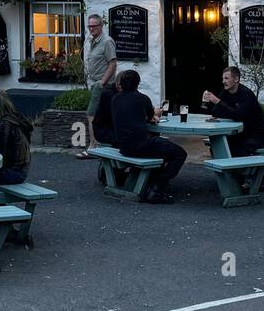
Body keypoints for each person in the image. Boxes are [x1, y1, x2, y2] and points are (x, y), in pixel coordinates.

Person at [110, 69, 186, 204]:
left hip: (123, 146)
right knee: (179, 154)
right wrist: (155, 113)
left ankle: (153, 180)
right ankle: (157, 189)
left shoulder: (115, 99)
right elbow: (152, 117)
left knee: (162, 149)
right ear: (138, 84)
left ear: (121, 83)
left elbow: (130, 117)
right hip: (141, 145)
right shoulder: (142, 98)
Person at [202, 66, 264, 156]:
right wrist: (211, 102)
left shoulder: (246, 94)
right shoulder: (225, 92)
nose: (223, 81)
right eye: (223, 78)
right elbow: (216, 112)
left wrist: (218, 102)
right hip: (240, 133)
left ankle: (250, 170)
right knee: (216, 148)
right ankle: (229, 169)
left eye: (226, 78)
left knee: (237, 150)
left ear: (236, 79)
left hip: (256, 134)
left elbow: (238, 115)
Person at [78, 13, 117, 159]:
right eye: (89, 26)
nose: (91, 28)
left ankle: (93, 147)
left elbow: (112, 63)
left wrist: (102, 82)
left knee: (91, 114)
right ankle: (99, 147)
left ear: (101, 26)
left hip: (102, 85)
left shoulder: (107, 41)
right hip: (95, 84)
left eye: (94, 26)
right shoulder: (93, 40)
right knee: (99, 116)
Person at [0, 90, 32, 185]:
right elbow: (15, 143)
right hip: (22, 170)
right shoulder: (16, 118)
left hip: (12, 173)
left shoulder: (4, 125)